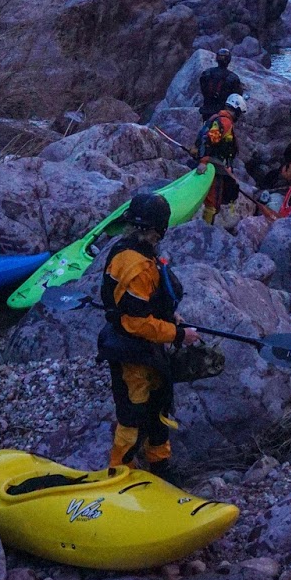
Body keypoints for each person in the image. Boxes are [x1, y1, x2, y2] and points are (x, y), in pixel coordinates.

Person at [97, 191, 198, 475]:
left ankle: (159, 465)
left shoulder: (137, 251)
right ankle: (119, 472)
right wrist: (178, 335)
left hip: (147, 348)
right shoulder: (136, 265)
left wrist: (171, 317)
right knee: (133, 413)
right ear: (159, 228)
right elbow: (135, 322)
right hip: (131, 350)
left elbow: (149, 302)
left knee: (157, 406)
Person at [196, 92, 246, 224]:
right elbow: (209, 140)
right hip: (214, 165)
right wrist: (203, 161)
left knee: (214, 199)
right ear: (237, 110)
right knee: (213, 201)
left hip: (217, 163)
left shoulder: (217, 118)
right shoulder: (225, 121)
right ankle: (207, 228)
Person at [197, 47, 244, 121]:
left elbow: (203, 89)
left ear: (216, 59)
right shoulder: (233, 78)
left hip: (206, 110)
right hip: (222, 114)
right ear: (229, 60)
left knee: (206, 130)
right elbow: (237, 96)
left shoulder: (207, 73)